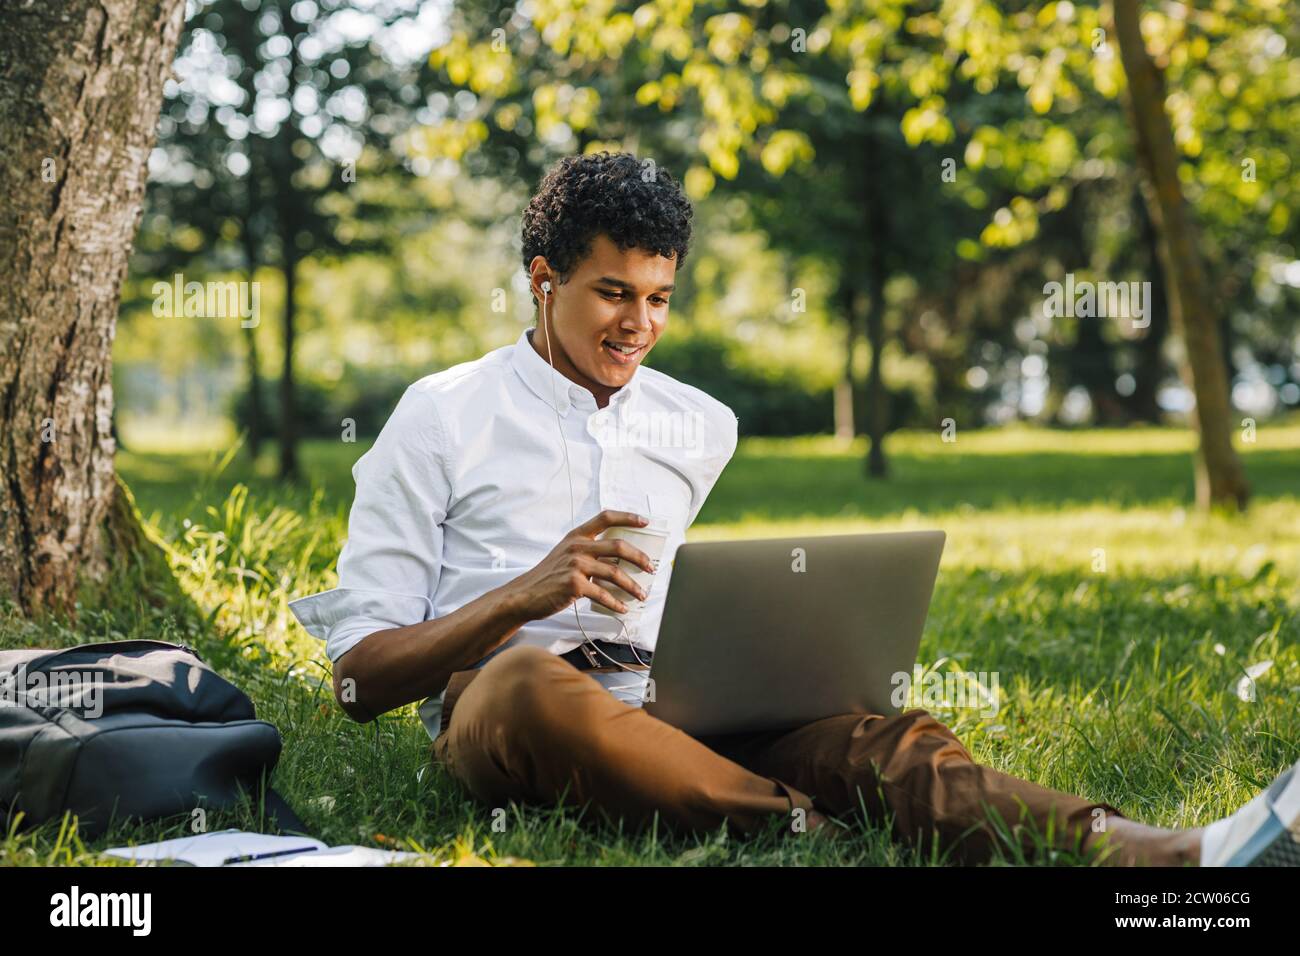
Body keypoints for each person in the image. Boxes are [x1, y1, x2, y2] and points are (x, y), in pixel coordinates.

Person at [290, 151, 1299, 867]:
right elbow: (355, 683)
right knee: (526, 679)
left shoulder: (699, 425)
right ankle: (805, 825)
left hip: (668, 703)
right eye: (610, 293)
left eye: (658, 297)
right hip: (507, 709)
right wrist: (522, 595)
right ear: (541, 279)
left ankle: (1166, 850)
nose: (637, 324)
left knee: (882, 740)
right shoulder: (439, 415)